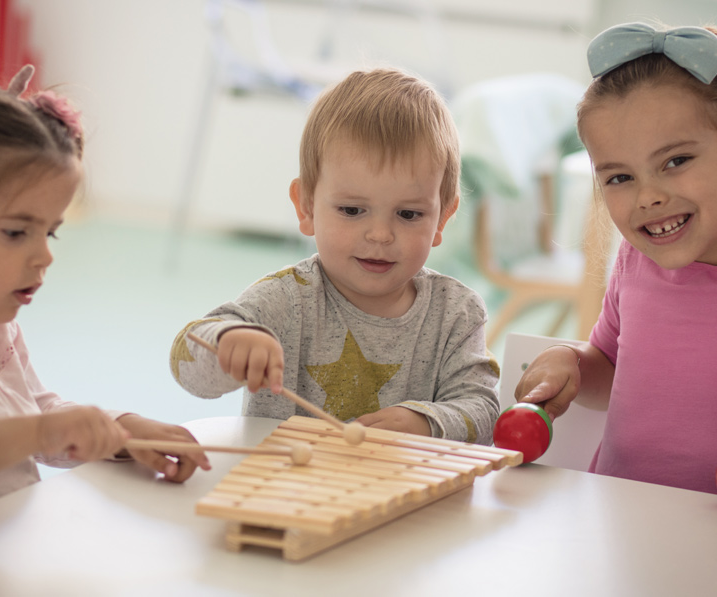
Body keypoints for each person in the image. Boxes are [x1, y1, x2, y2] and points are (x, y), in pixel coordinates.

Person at [0, 56, 209, 510]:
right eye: (15, 232)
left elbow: (33, 410)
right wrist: (40, 432)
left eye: (51, 232)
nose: (45, 256)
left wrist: (120, 430)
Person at [170, 67, 499, 443]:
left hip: (403, 481)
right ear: (306, 207)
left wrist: (427, 423)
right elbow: (186, 359)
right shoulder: (286, 300)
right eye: (352, 210)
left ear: (443, 218)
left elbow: (484, 411)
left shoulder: (456, 313)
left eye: (409, 214)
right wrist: (228, 340)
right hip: (284, 477)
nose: (380, 234)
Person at [515, 22, 717, 493]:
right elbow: (611, 368)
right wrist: (570, 361)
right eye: (619, 178)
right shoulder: (635, 262)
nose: (648, 196)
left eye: (676, 161)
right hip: (618, 515)